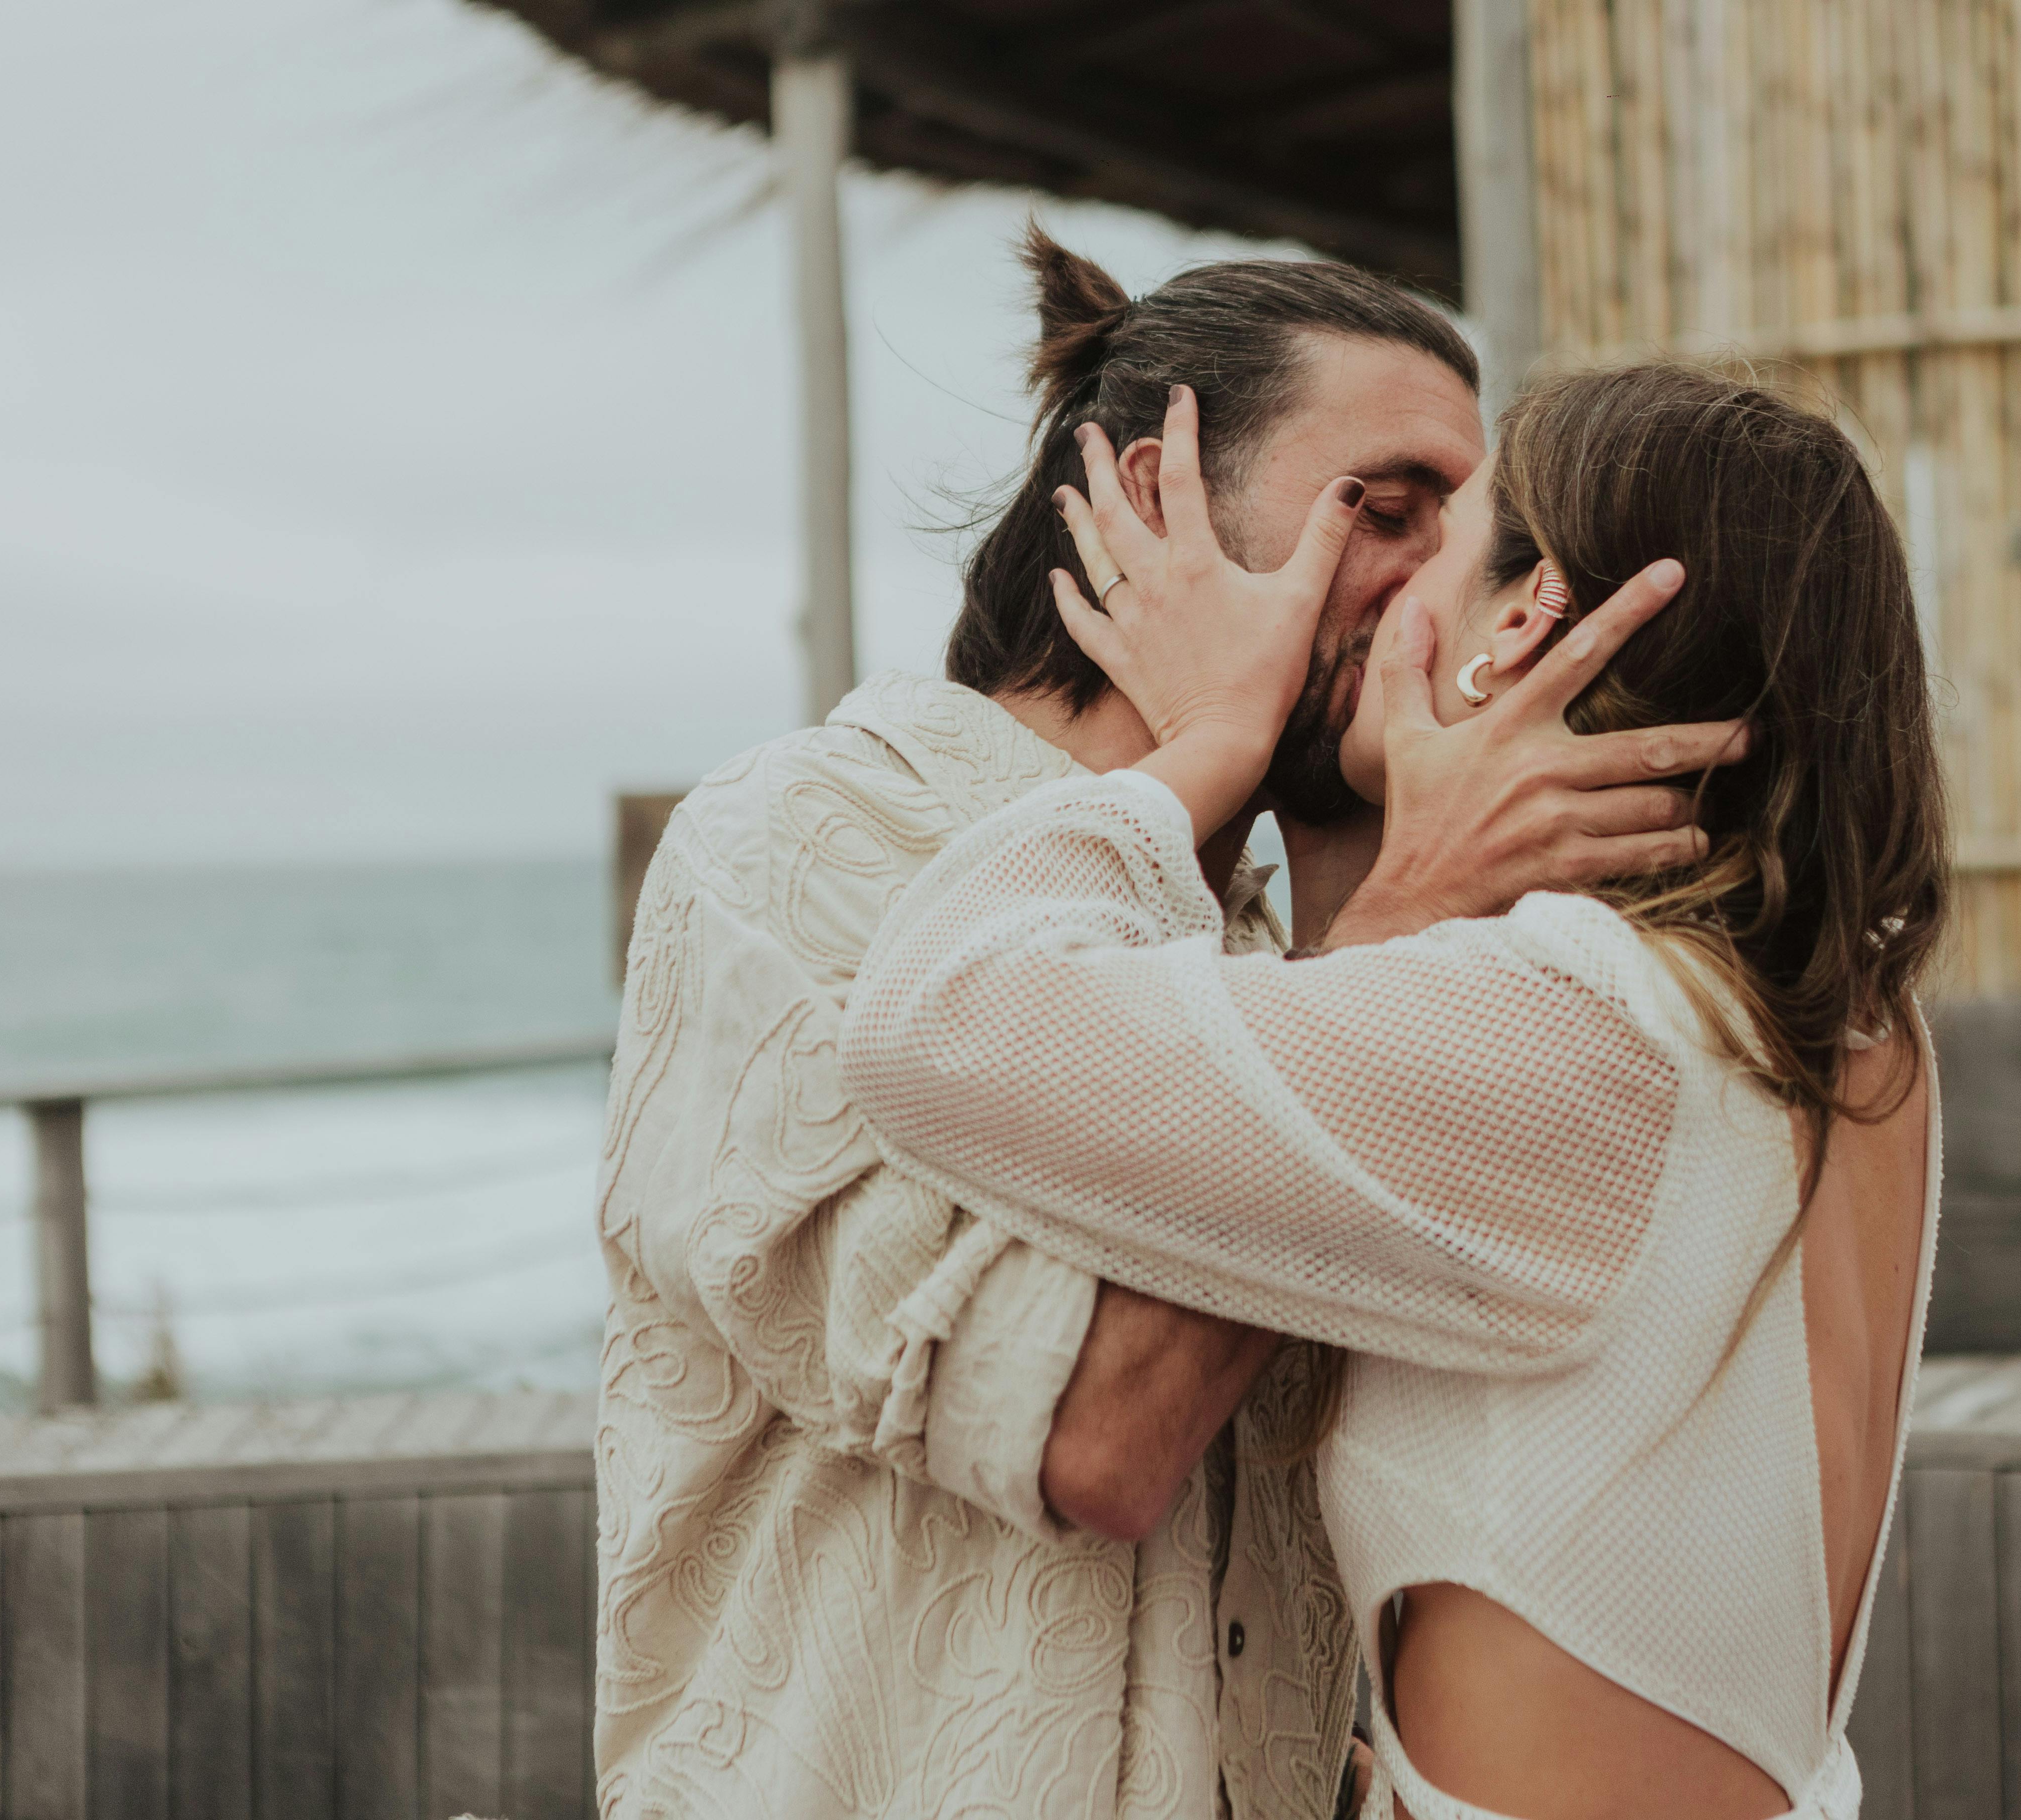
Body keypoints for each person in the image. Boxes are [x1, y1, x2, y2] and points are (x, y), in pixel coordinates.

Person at [592, 231, 1720, 1819]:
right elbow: (1090, 1435)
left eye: (1465, 537)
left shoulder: (1274, 950)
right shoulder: (806, 844)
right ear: (1151, 497)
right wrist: (1408, 910)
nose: (1442, 595)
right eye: (1388, 511)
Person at [835, 358, 1953, 1819]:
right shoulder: (1857, 1030)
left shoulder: (1578, 1024)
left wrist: (1213, 737)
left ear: (1524, 619)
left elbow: (931, 1022)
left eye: (1442, 543)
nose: (1378, 597)